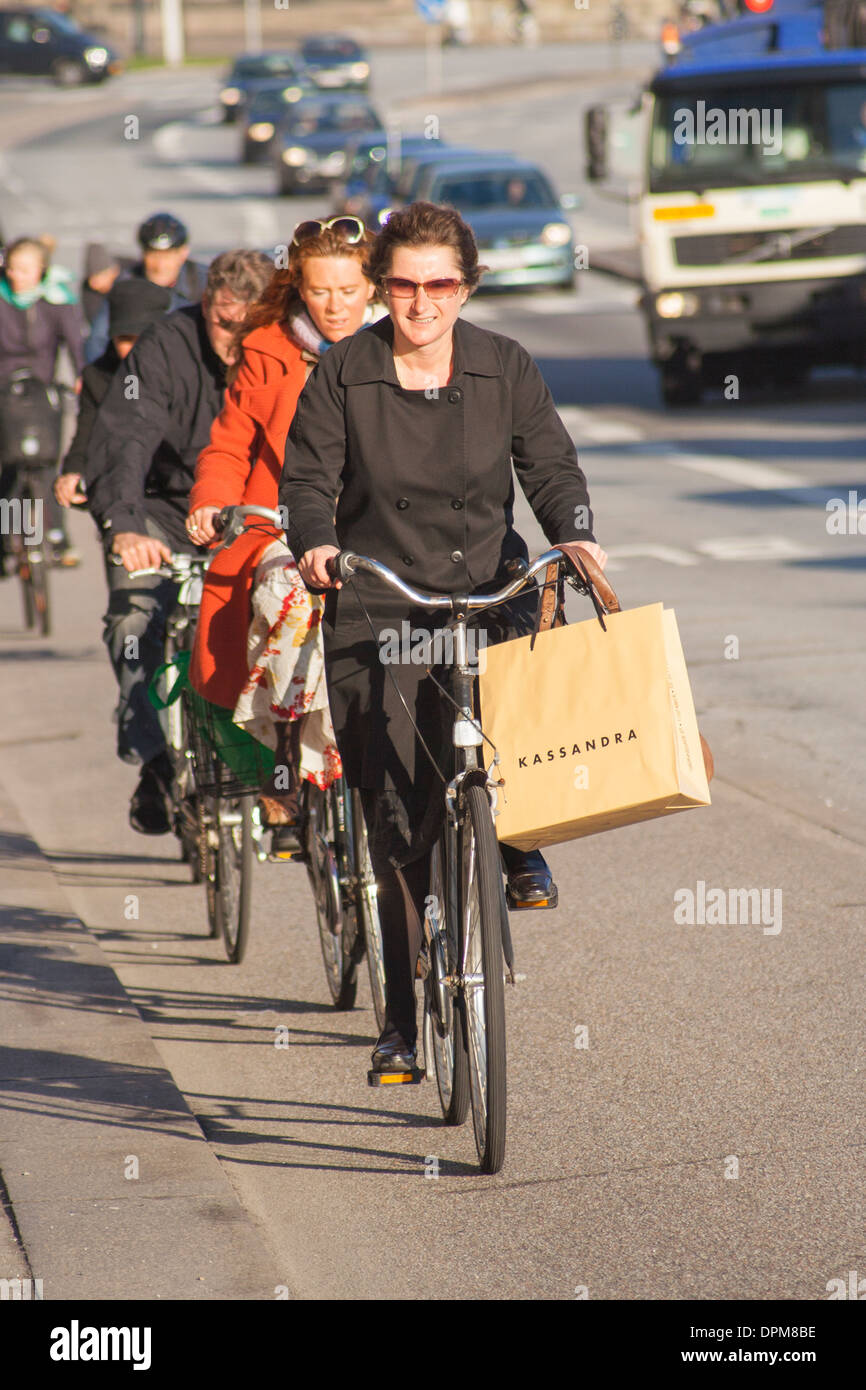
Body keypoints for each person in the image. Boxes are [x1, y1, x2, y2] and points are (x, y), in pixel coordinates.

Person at [280, 201, 608, 1075]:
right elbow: (308, 475)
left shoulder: (506, 366)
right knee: (394, 821)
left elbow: (549, 464)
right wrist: (316, 543)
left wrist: (573, 531)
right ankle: (398, 1016)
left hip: (482, 589)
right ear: (383, 285)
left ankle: (515, 839)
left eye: (440, 285)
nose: (421, 303)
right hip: (380, 603)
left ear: (467, 286)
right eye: (403, 285)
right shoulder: (345, 372)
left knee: (514, 726)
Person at [185, 216, 379, 852]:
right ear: (300, 286)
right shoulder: (269, 349)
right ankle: (288, 757)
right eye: (320, 291)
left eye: (349, 290)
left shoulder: (402, 341)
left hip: (381, 524)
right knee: (289, 601)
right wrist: (213, 503)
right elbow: (230, 443)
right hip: (286, 523)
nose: (335, 305)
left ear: (372, 286)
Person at [86, 250, 273, 835]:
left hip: (257, 514)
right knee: (133, 623)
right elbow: (124, 436)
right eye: (222, 322)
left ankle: (290, 778)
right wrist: (125, 524)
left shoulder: (283, 350)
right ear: (204, 303)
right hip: (164, 512)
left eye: (247, 325)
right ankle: (158, 762)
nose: (232, 339)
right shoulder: (164, 345)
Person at [0, 235, 85, 567]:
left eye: (26, 269)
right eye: (13, 268)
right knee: (9, 464)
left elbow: (76, 344)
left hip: (43, 392)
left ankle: (57, 535)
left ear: (42, 270)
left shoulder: (56, 301)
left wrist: (82, 378)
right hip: (5, 392)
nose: (17, 276)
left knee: (49, 462)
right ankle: (9, 537)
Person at [55, 278, 173, 510]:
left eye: (144, 338)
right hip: (121, 486)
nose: (134, 349)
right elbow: (87, 432)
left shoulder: (181, 370)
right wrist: (72, 472)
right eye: (125, 340)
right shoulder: (99, 376)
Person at [85, 212, 208, 364]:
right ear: (143, 254)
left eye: (167, 256)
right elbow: (99, 338)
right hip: (138, 369)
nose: (160, 266)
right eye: (154, 255)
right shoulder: (126, 284)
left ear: (183, 253)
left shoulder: (203, 282)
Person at [80, 243, 122, 326]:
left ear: (113, 272)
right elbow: (94, 323)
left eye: (97, 276)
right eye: (90, 277)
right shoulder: (88, 289)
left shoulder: (132, 275)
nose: (92, 284)